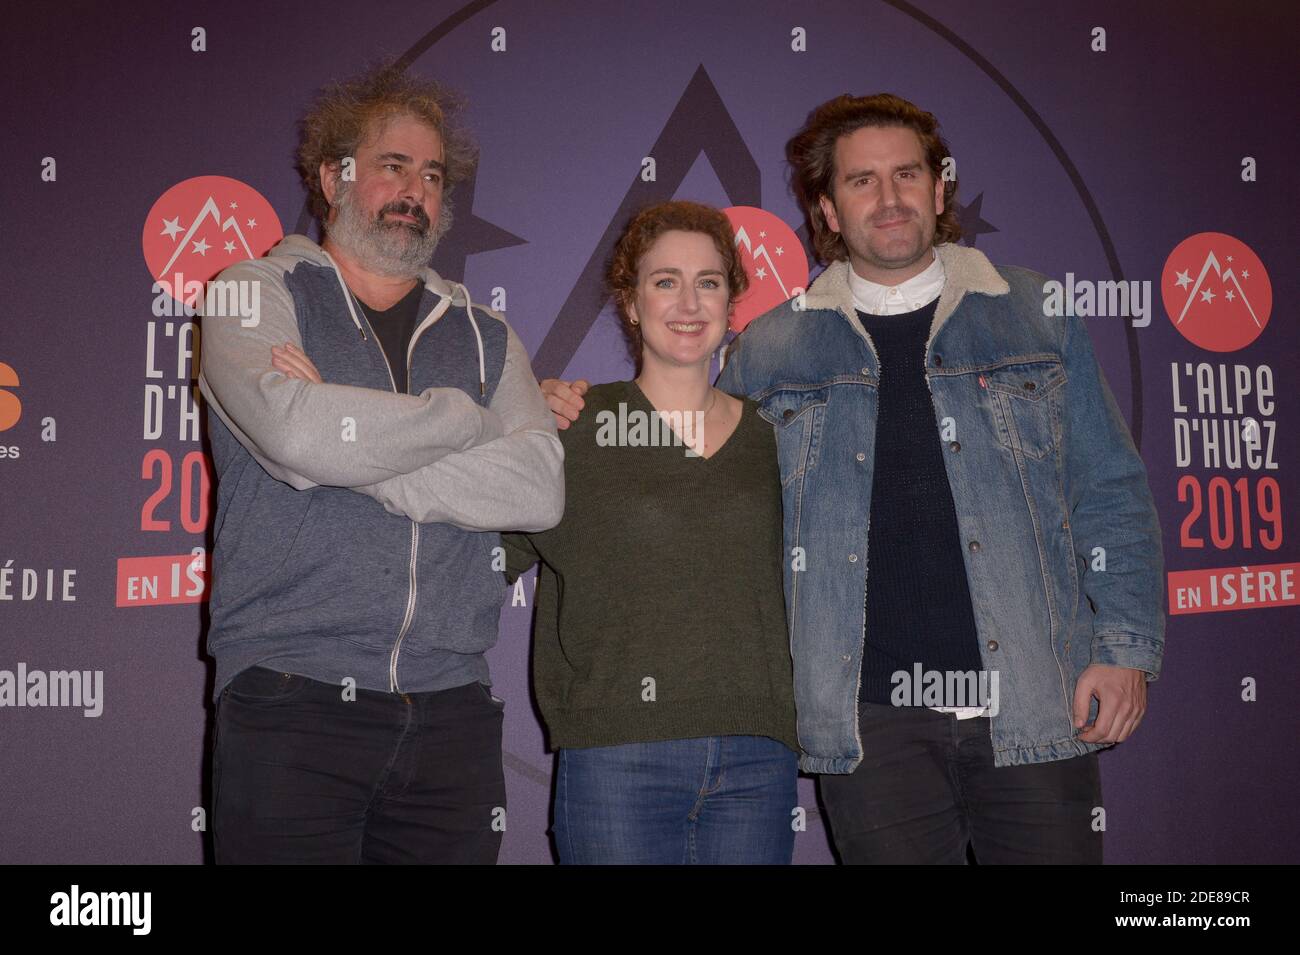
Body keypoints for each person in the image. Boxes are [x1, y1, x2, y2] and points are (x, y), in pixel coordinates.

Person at [541, 94, 1164, 864]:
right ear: (828, 209)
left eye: (908, 173)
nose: (890, 196)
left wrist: (1126, 645)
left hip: (1035, 700)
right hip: (872, 726)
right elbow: (686, 479)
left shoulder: (1035, 312)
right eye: (861, 181)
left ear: (941, 190)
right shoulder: (772, 349)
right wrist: (550, 410)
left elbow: (1108, 486)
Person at [197, 63, 563, 864]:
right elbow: (294, 439)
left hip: (454, 711)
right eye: (392, 165)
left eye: (431, 174)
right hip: (292, 696)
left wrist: (344, 440)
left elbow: (538, 488)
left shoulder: (484, 334)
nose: (414, 189)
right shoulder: (248, 292)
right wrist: (462, 421)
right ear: (334, 176)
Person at [502, 200, 800, 865]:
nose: (689, 301)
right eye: (665, 280)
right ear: (630, 302)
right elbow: (478, 557)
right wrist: (512, 430)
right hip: (617, 754)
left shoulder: (775, 438)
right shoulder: (572, 425)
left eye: (710, 281)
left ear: (733, 299)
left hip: (759, 756)